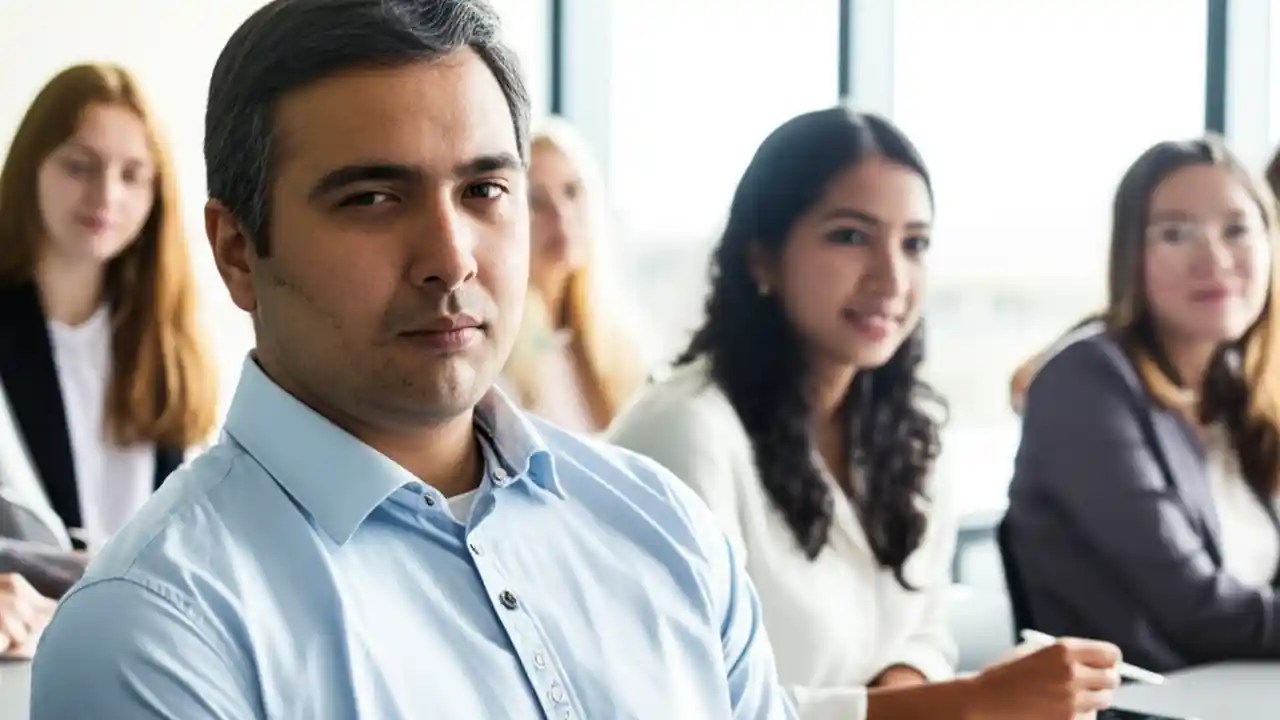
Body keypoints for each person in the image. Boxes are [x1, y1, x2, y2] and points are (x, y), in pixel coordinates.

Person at [31, 2, 792, 718]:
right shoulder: (153, 630)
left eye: (485, 189)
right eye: (372, 199)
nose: (451, 259)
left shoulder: (665, 529)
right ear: (237, 252)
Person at [609, 107, 1122, 720]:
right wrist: (974, 701)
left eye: (915, 244)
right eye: (851, 236)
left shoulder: (912, 432)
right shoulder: (684, 432)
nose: (891, 277)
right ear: (761, 257)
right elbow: (700, 702)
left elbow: (923, 634)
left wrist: (935, 698)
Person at [1006, 136, 1280, 671]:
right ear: (1131, 256)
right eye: (1175, 233)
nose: (1215, 258)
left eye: (1237, 230)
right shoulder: (1085, 382)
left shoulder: (1235, 389)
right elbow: (1195, 611)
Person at [0, 63, 215, 602]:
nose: (105, 196)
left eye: (131, 175)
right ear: (31, 168)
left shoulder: (163, 339)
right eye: (80, 166)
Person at [501, 118, 646, 432]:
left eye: (571, 191)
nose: (561, 214)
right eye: (535, 200)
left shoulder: (619, 347)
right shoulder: (499, 359)